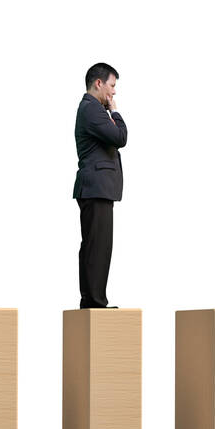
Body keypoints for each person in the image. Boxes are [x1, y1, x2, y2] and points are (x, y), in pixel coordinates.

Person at [73, 63, 128, 308]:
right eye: (112, 85)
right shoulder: (91, 108)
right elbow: (120, 137)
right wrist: (114, 111)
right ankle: (94, 303)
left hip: (98, 188)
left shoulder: (92, 109)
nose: (113, 92)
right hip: (96, 188)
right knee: (97, 247)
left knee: (97, 246)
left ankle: (93, 301)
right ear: (99, 83)